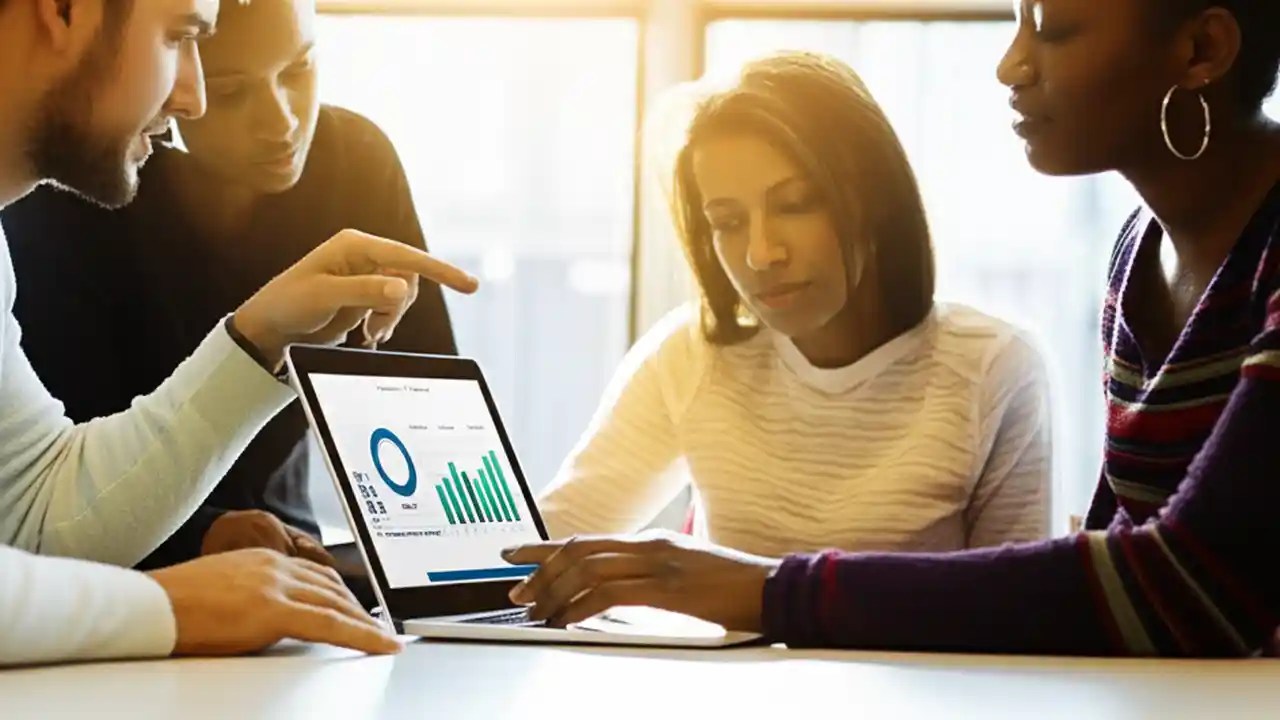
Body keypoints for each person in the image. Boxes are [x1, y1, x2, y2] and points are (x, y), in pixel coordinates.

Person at [505, 0, 1280, 658]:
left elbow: (1189, 585)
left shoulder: (995, 363)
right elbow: (1111, 570)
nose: (1010, 65)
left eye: (1052, 28)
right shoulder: (1140, 255)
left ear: (1201, 48)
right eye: (727, 221)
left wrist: (766, 590)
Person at [0, 0, 477, 666]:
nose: (187, 97)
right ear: (64, 10)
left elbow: (33, 511)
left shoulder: (354, 160)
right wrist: (172, 599)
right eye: (177, 37)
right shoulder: (61, 201)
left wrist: (257, 341)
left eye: (300, 68)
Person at [538, 53, 1052, 560]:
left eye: (795, 205)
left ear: (873, 199)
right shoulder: (693, 355)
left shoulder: (993, 367)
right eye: (727, 222)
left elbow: (1012, 613)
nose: (761, 254)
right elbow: (541, 542)